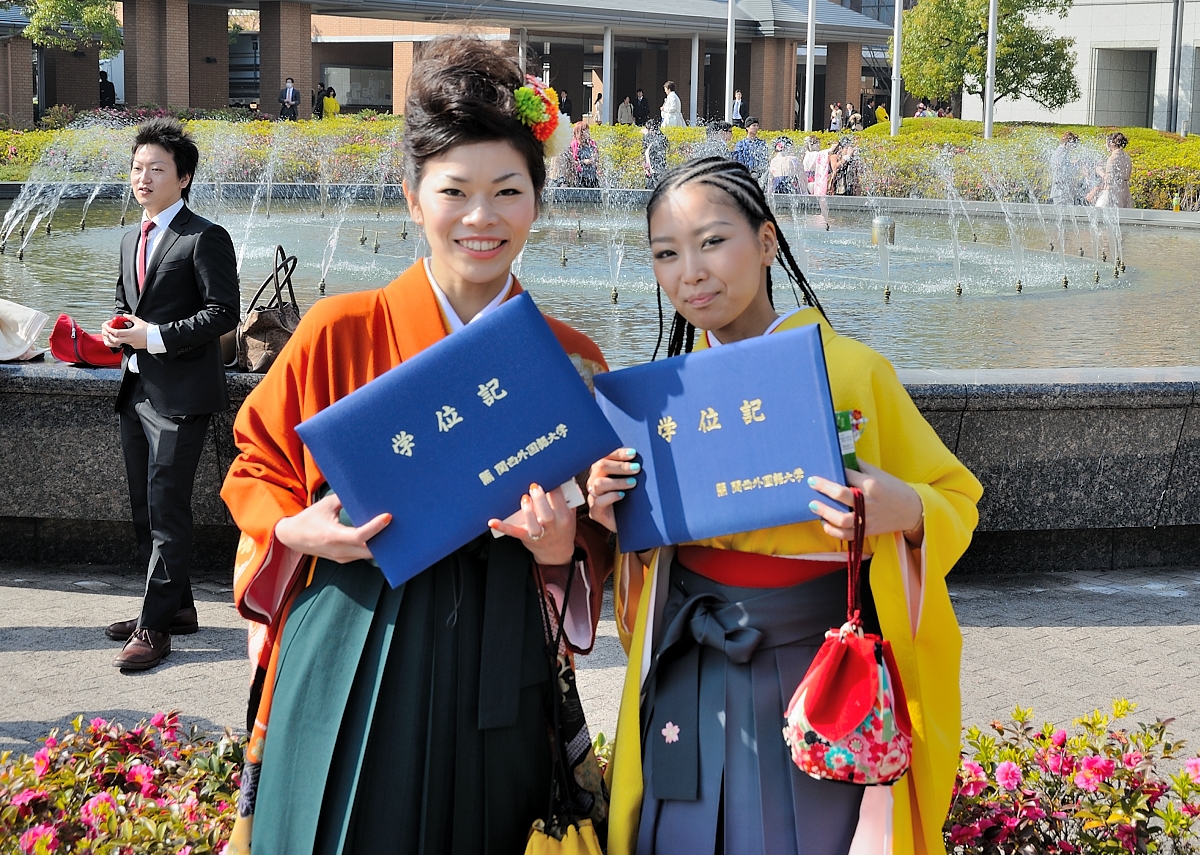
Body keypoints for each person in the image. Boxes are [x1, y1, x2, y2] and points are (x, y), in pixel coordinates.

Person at [221, 37, 613, 854]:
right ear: (411, 197)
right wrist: (296, 529)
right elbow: (255, 463)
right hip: (353, 629)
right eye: (454, 191)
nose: (481, 218)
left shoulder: (572, 359)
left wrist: (562, 544)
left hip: (503, 657)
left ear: (537, 199)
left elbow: (601, 530)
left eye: (508, 190)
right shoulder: (339, 330)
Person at [588, 155, 982, 855]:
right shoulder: (658, 403)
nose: (691, 272)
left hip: (817, 669)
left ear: (768, 241)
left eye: (713, 241)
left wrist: (907, 510)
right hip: (691, 656)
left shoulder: (855, 372)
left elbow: (955, 499)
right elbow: (645, 558)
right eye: (666, 253)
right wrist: (617, 510)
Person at [99, 118, 240, 671]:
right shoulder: (132, 234)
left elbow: (222, 313)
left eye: (157, 168)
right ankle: (177, 607)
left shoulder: (205, 236)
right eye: (138, 168)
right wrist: (119, 330)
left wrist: (153, 337)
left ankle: (154, 628)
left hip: (182, 395)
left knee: (168, 511)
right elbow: (126, 300)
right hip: (137, 389)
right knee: (143, 507)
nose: (144, 177)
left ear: (183, 178)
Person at [1093, 132, 1133, 208]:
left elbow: (1109, 179)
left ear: (1111, 143)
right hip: (1125, 191)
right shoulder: (1127, 157)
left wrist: (1100, 171)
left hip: (1113, 191)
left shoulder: (1113, 158)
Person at [1049, 131, 1083, 206]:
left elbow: (1063, 166)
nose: (1073, 148)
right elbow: (1060, 169)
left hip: (1062, 189)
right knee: (1064, 213)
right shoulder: (1061, 152)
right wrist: (1075, 165)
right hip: (1060, 190)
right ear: (1068, 143)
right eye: (1074, 145)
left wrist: (1072, 163)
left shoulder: (1061, 152)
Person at [731, 117, 768, 183]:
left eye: (757, 126)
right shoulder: (741, 144)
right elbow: (739, 160)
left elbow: (764, 159)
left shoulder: (762, 143)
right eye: (753, 125)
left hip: (759, 175)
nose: (756, 128)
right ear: (747, 128)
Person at [571, 121, 601, 187]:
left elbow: (597, 157)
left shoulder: (592, 143)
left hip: (592, 175)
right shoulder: (574, 144)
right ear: (580, 132)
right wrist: (584, 162)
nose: (587, 132)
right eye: (585, 130)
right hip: (579, 176)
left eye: (587, 130)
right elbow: (572, 162)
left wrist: (594, 158)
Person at [643, 121, 668, 188]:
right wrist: (645, 167)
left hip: (658, 173)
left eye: (649, 130)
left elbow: (657, 151)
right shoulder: (647, 140)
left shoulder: (660, 139)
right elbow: (645, 155)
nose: (648, 132)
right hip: (650, 174)